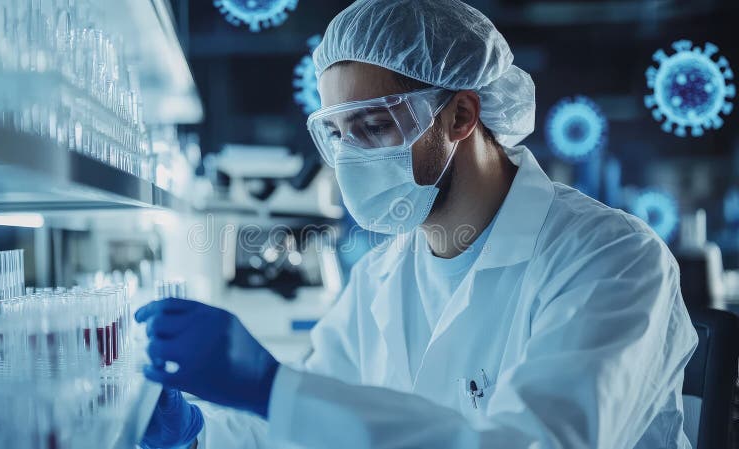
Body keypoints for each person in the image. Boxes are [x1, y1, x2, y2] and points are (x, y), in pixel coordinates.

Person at [136, 0, 699, 448]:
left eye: (374, 125)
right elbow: (309, 428)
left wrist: (273, 386)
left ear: (459, 115)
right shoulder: (384, 275)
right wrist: (198, 432)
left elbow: (536, 442)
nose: (352, 156)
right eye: (338, 133)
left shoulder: (612, 260)